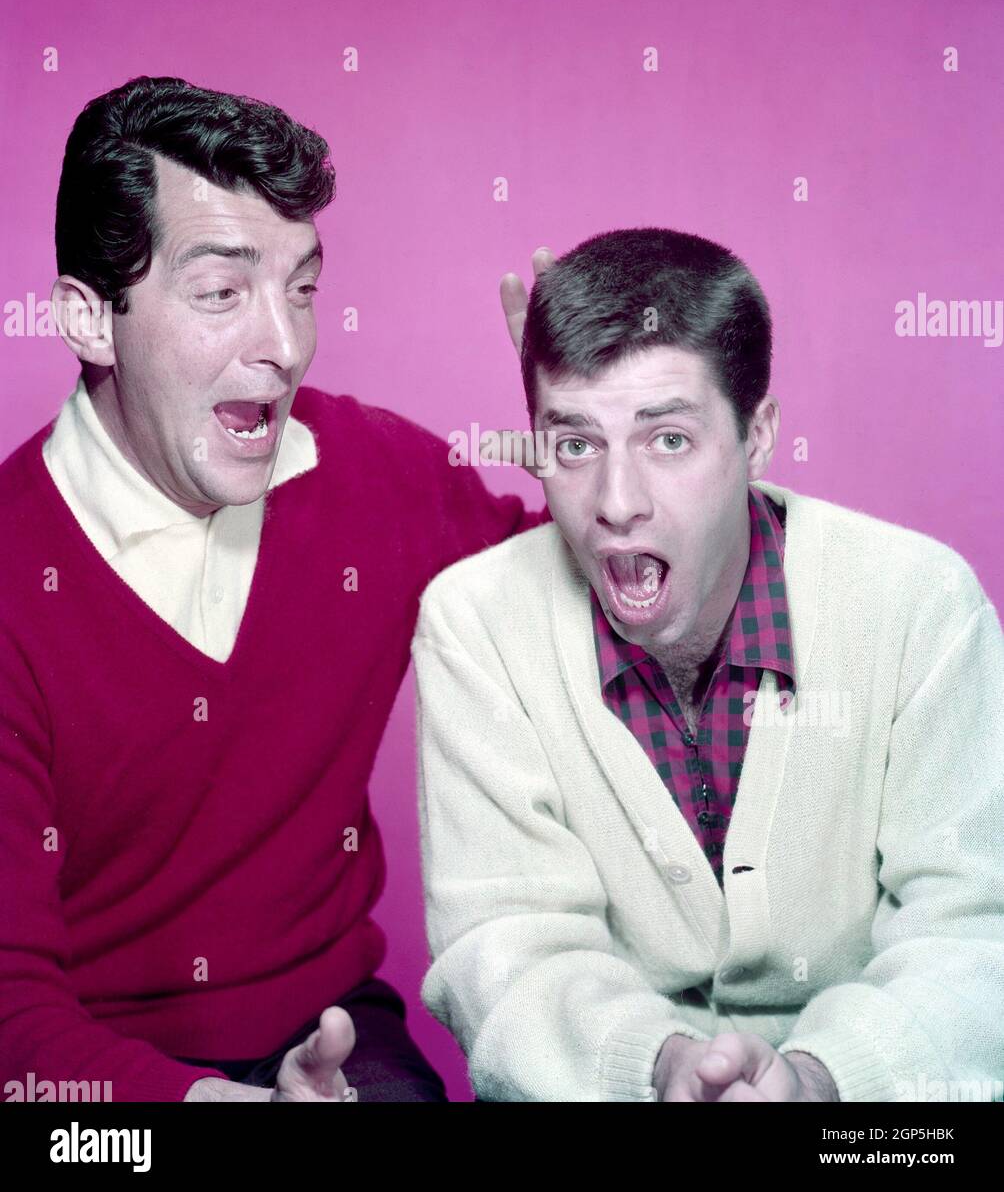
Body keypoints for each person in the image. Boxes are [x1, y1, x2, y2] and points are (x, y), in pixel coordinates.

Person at [0, 74, 548, 1103]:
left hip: (334, 1033)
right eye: (221, 293)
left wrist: (588, 431)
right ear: (87, 317)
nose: (285, 344)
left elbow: (593, 612)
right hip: (85, 1079)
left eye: (300, 287)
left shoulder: (376, 474)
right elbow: (8, 1014)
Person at [412, 226, 1004, 1102]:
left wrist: (819, 1082)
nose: (616, 504)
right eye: (574, 445)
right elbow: (506, 948)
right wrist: (661, 1068)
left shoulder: (919, 603)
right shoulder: (475, 623)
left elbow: (974, 938)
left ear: (758, 433)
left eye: (670, 441)